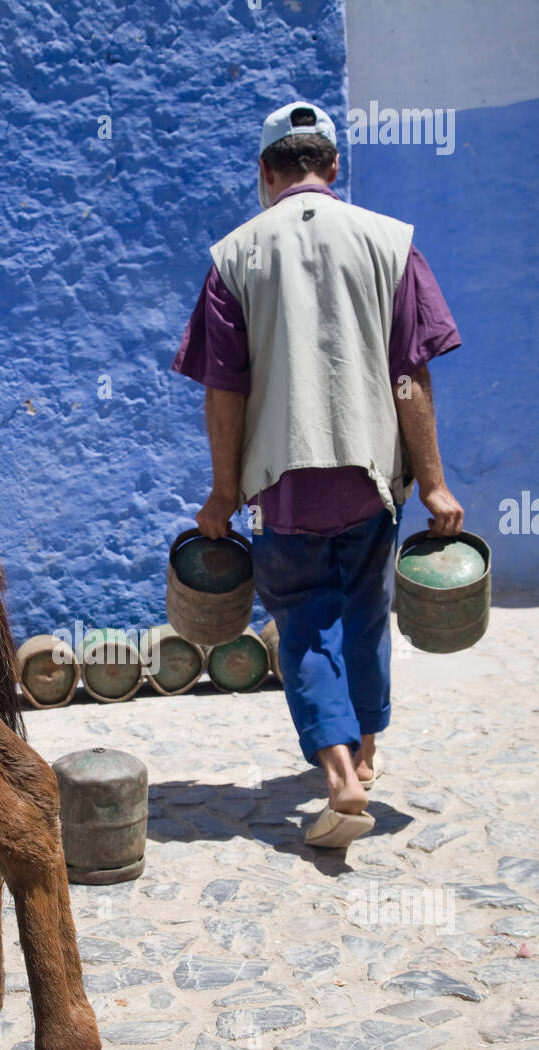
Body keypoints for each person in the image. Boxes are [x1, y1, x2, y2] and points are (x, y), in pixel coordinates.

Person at [172, 100, 464, 849]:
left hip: (282, 485)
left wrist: (223, 494)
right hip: (372, 478)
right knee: (366, 609)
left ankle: (336, 771)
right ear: (332, 168)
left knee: (303, 620)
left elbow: (226, 390)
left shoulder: (235, 256)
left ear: (266, 174)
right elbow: (412, 375)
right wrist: (432, 483)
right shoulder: (391, 244)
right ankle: (366, 750)